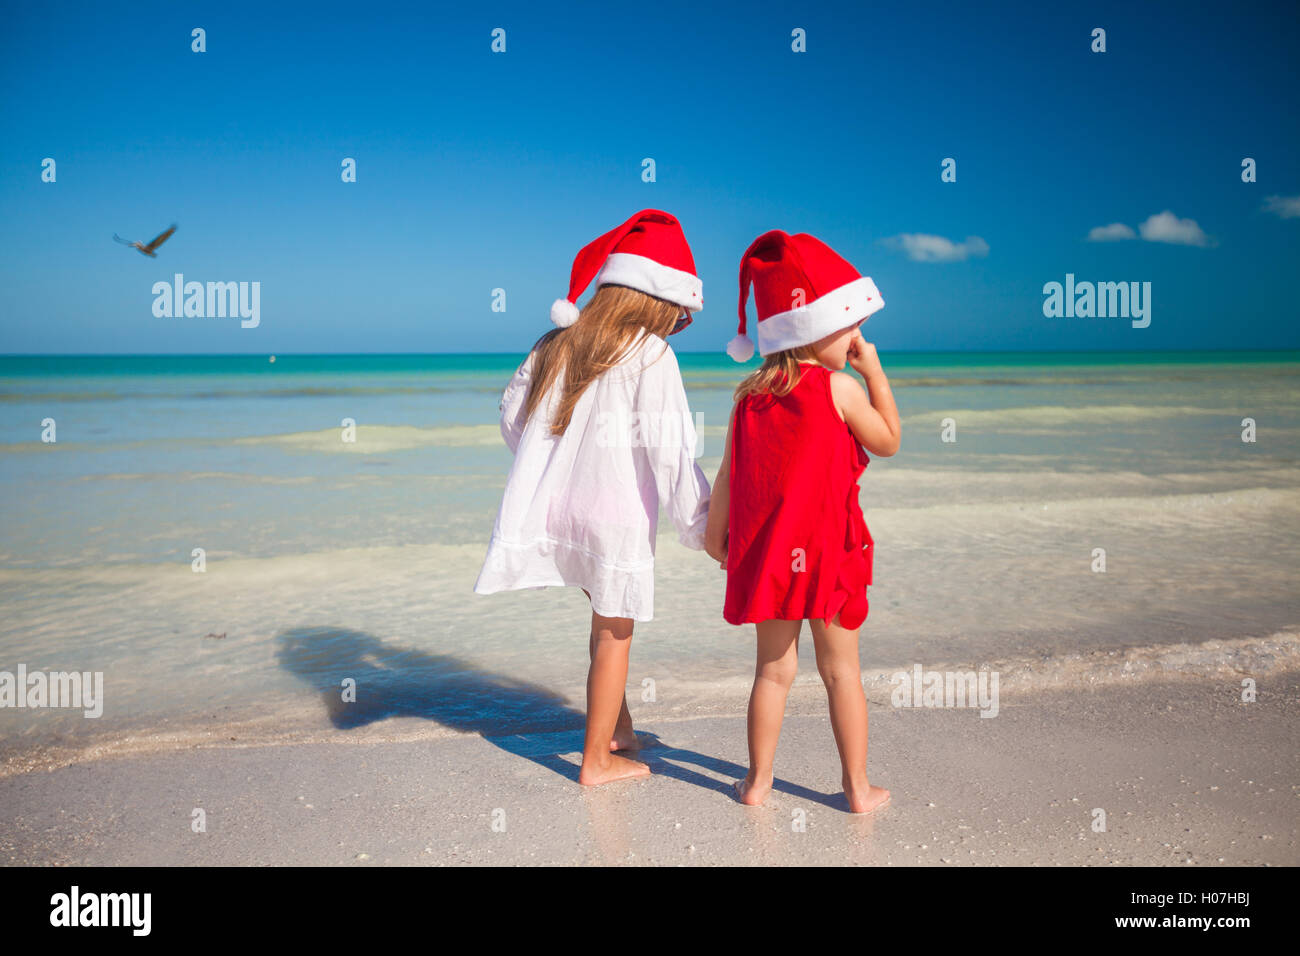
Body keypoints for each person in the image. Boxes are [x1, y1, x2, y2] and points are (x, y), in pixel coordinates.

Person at [475, 210, 710, 786]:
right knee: (614, 633)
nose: (679, 327)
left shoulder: (557, 342)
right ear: (655, 300)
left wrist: (552, 469)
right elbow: (671, 451)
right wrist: (704, 527)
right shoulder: (652, 354)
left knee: (605, 622)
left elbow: (513, 419)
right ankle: (597, 761)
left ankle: (619, 729)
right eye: (680, 315)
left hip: (564, 509)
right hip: (615, 516)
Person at [706, 230, 900, 813]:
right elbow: (888, 440)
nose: (859, 337)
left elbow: (729, 474)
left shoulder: (749, 399)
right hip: (831, 555)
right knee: (842, 672)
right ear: (814, 328)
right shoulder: (840, 387)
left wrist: (718, 535)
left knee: (772, 672)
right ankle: (858, 789)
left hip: (774, 558)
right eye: (851, 326)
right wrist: (876, 373)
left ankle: (759, 783)